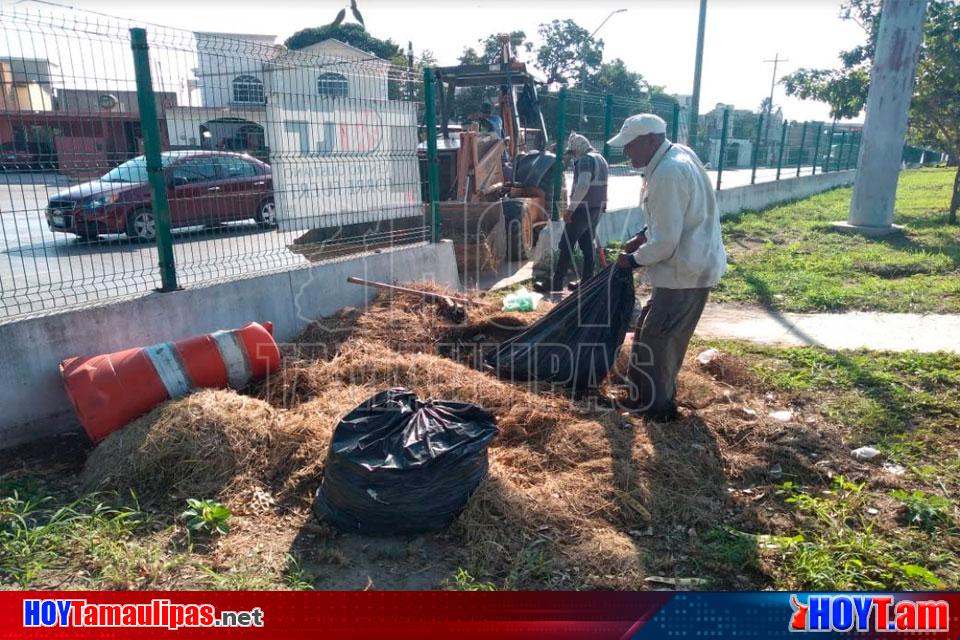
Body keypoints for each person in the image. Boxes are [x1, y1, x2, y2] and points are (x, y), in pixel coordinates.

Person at [608, 114, 726, 421]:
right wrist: (642, 236)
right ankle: (641, 399)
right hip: (687, 268)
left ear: (649, 140)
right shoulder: (677, 156)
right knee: (648, 334)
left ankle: (656, 410)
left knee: (659, 342)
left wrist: (630, 260)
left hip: (684, 273)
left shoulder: (669, 172)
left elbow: (666, 244)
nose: (627, 153)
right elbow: (671, 218)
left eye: (630, 146)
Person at [539, 132, 609, 293]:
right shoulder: (601, 159)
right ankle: (587, 281)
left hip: (582, 209)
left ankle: (556, 283)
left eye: (573, 152)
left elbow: (583, 185)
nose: (573, 157)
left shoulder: (585, 160)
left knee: (566, 244)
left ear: (578, 149)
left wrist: (571, 209)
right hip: (596, 208)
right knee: (586, 244)